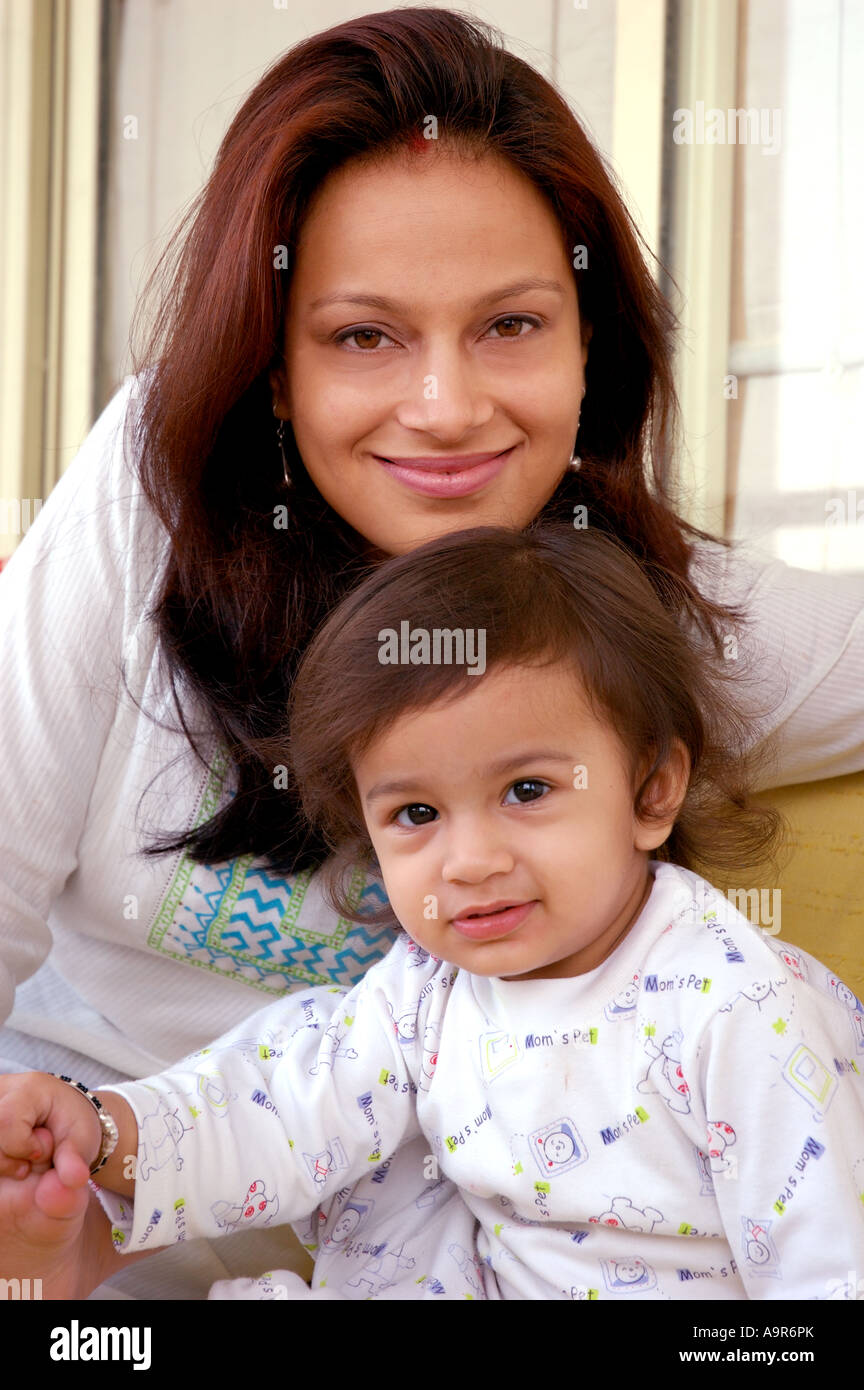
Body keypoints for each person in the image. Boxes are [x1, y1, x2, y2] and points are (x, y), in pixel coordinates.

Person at [0, 8, 862, 1300]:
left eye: (512, 324)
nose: (449, 406)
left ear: (589, 348)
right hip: (94, 1170)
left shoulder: (637, 623)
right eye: (364, 336)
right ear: (274, 369)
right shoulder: (150, 512)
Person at [2, 524, 862, 1302]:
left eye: (527, 791)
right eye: (416, 815)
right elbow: (281, 1108)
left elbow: (827, 1270)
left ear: (651, 790)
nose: (471, 861)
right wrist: (106, 1130)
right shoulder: (426, 987)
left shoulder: (735, 1007)